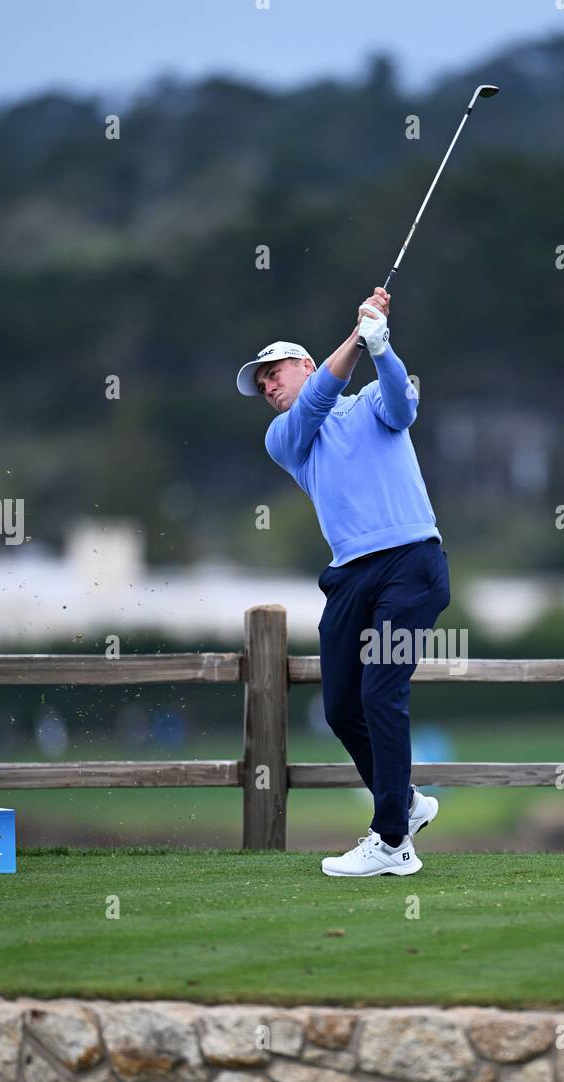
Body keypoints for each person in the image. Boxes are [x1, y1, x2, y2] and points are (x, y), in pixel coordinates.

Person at [236, 289, 450, 876]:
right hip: (351, 577)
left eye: (274, 375)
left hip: (412, 565)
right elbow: (316, 402)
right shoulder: (286, 437)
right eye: (262, 387)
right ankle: (404, 802)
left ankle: (393, 843)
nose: (269, 389)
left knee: (382, 692)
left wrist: (381, 348)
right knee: (339, 707)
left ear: (304, 364)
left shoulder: (371, 401)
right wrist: (361, 335)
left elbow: (404, 406)